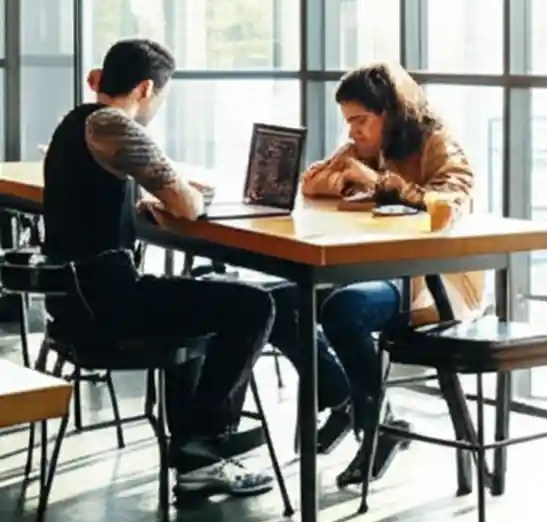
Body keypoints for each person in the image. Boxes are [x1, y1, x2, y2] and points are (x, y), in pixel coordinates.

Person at [42, 38, 275, 497]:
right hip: (107, 303)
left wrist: (141, 201)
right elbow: (187, 205)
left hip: (73, 304)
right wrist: (186, 192)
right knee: (254, 305)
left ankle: (194, 459)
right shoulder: (112, 124)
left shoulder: (72, 124)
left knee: (195, 300)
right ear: (146, 87)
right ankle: (205, 445)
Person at [283, 61, 482, 486]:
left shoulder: (436, 142)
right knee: (283, 302)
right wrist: (348, 179)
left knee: (343, 310)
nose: (352, 132)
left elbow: (451, 204)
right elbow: (312, 181)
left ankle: (372, 429)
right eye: (348, 122)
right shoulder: (366, 144)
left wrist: (376, 183)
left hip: (432, 280)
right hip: (373, 269)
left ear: (389, 111)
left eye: (360, 120)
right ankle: (353, 405)